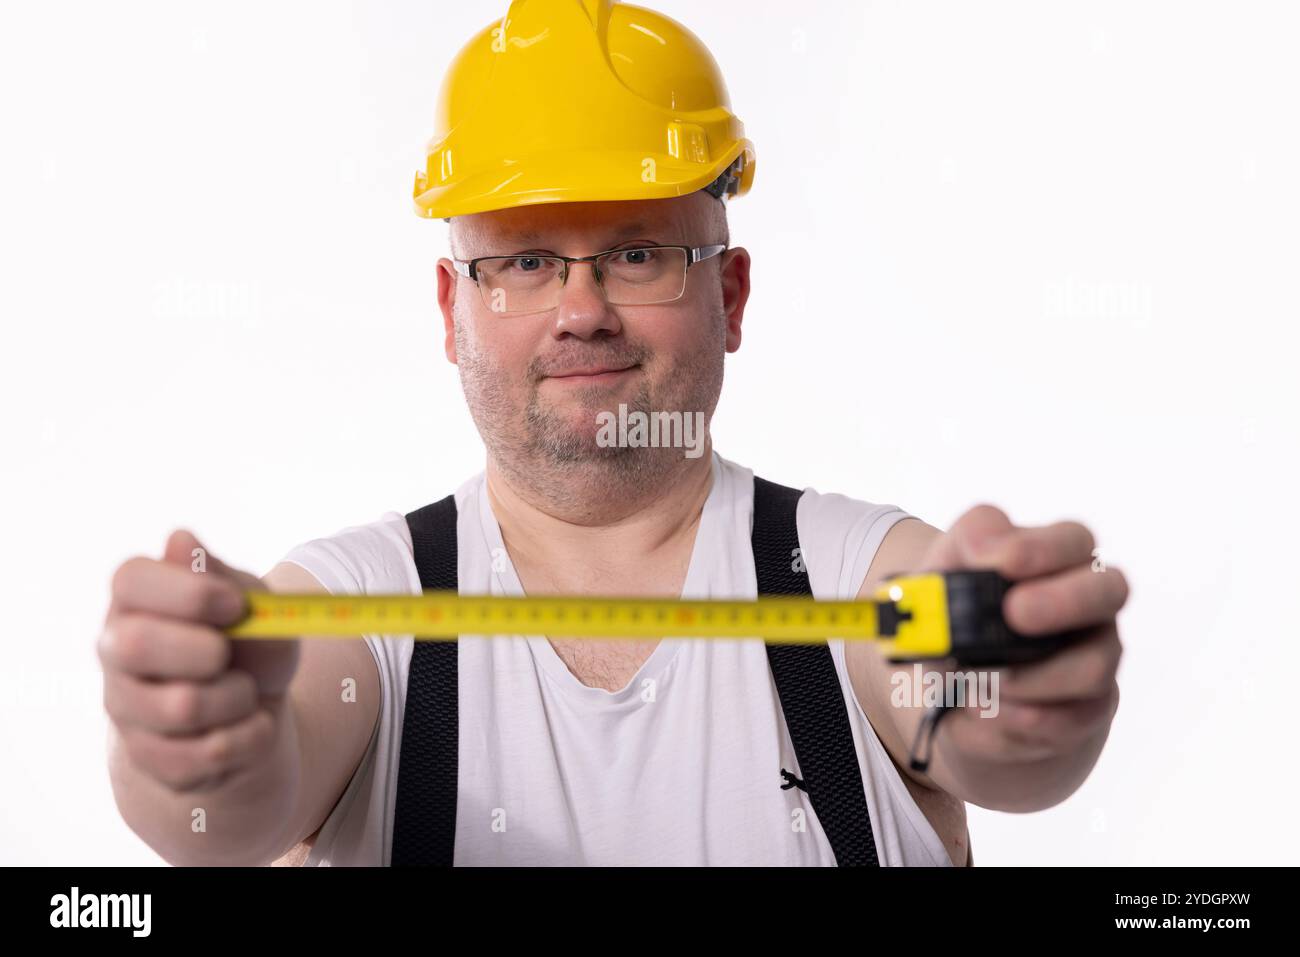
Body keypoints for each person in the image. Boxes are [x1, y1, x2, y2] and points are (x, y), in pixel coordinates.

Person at [99, 0, 1127, 867]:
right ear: (451, 313)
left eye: (637, 254)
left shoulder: (853, 579)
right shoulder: (359, 614)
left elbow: (979, 724)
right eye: (528, 261)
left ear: (729, 293)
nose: (581, 310)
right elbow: (235, 809)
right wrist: (194, 752)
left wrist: (1014, 696)